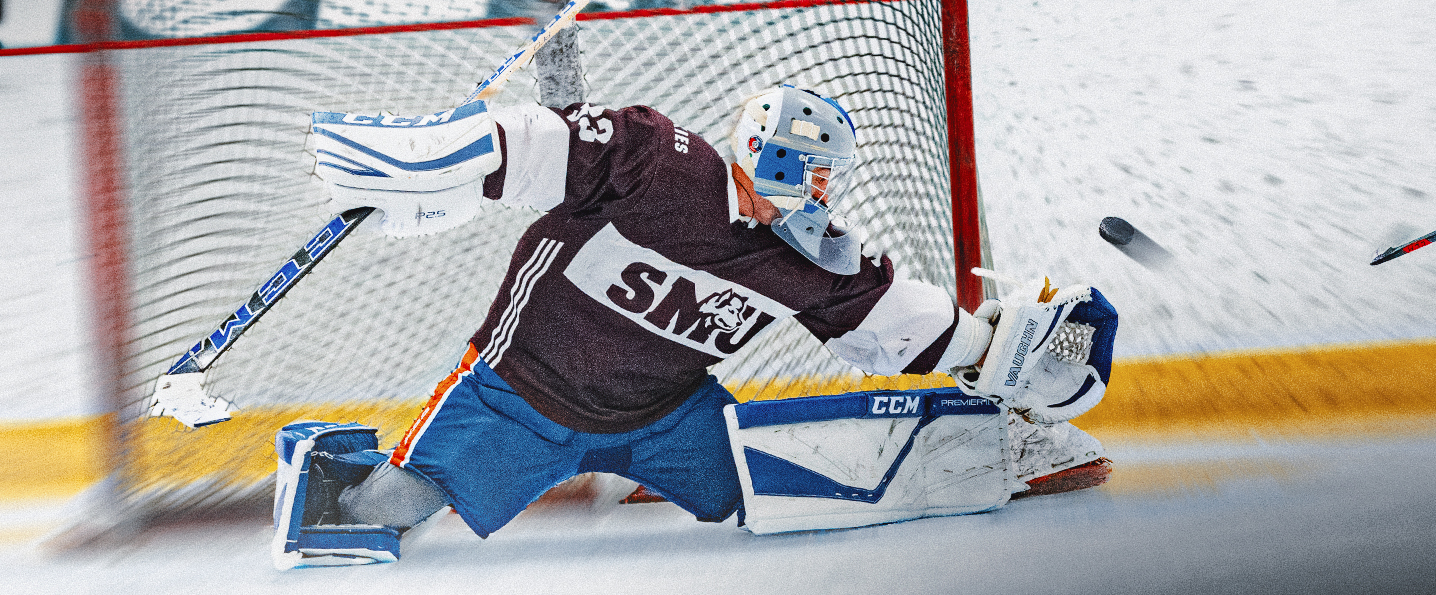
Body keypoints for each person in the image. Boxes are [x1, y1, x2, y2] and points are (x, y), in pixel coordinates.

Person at [273, 84, 1117, 568]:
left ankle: (999, 450)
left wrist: (1003, 350)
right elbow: (531, 145)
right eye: (813, 169)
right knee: (382, 512)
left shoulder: (808, 259)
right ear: (771, 152)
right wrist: (433, 155)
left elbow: (900, 324)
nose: (822, 191)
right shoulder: (660, 161)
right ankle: (325, 469)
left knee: (775, 484)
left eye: (830, 177)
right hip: (517, 397)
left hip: (667, 418)